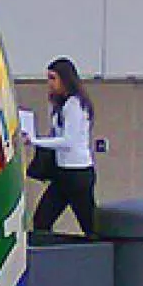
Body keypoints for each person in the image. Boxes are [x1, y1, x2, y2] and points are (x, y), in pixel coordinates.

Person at [30, 57, 96, 235]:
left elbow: (68, 141)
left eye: (53, 78)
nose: (49, 83)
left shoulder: (75, 105)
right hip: (63, 172)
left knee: (89, 223)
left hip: (78, 173)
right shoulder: (61, 104)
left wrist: (36, 141)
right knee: (41, 220)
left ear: (65, 79)